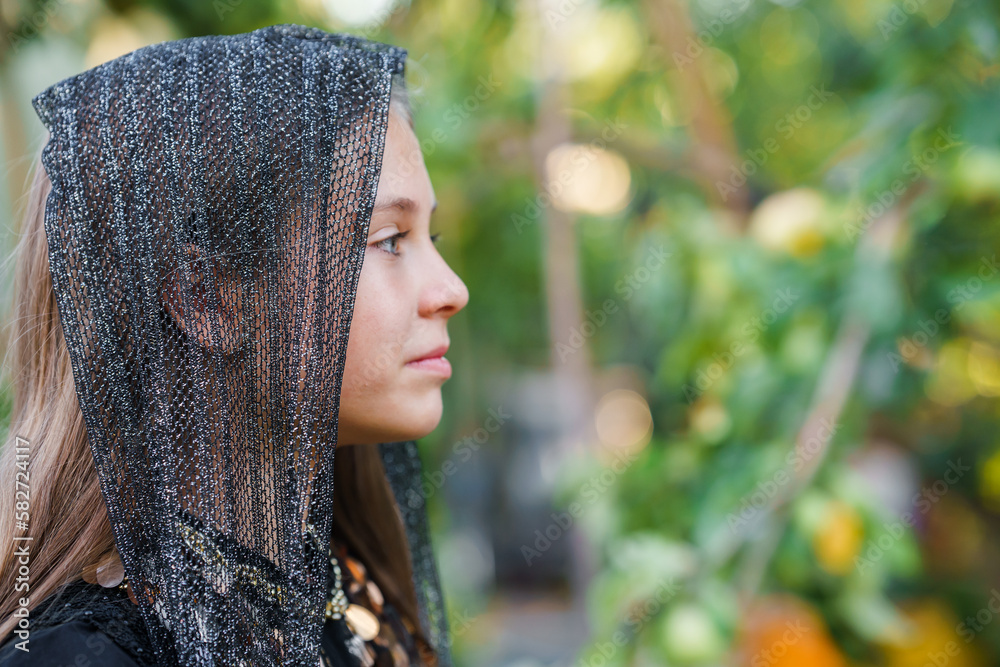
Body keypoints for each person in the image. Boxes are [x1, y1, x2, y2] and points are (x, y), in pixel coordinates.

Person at [0, 23, 468, 666]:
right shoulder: (85, 657)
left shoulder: (342, 593)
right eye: (388, 240)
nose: (450, 290)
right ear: (209, 299)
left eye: (430, 240)